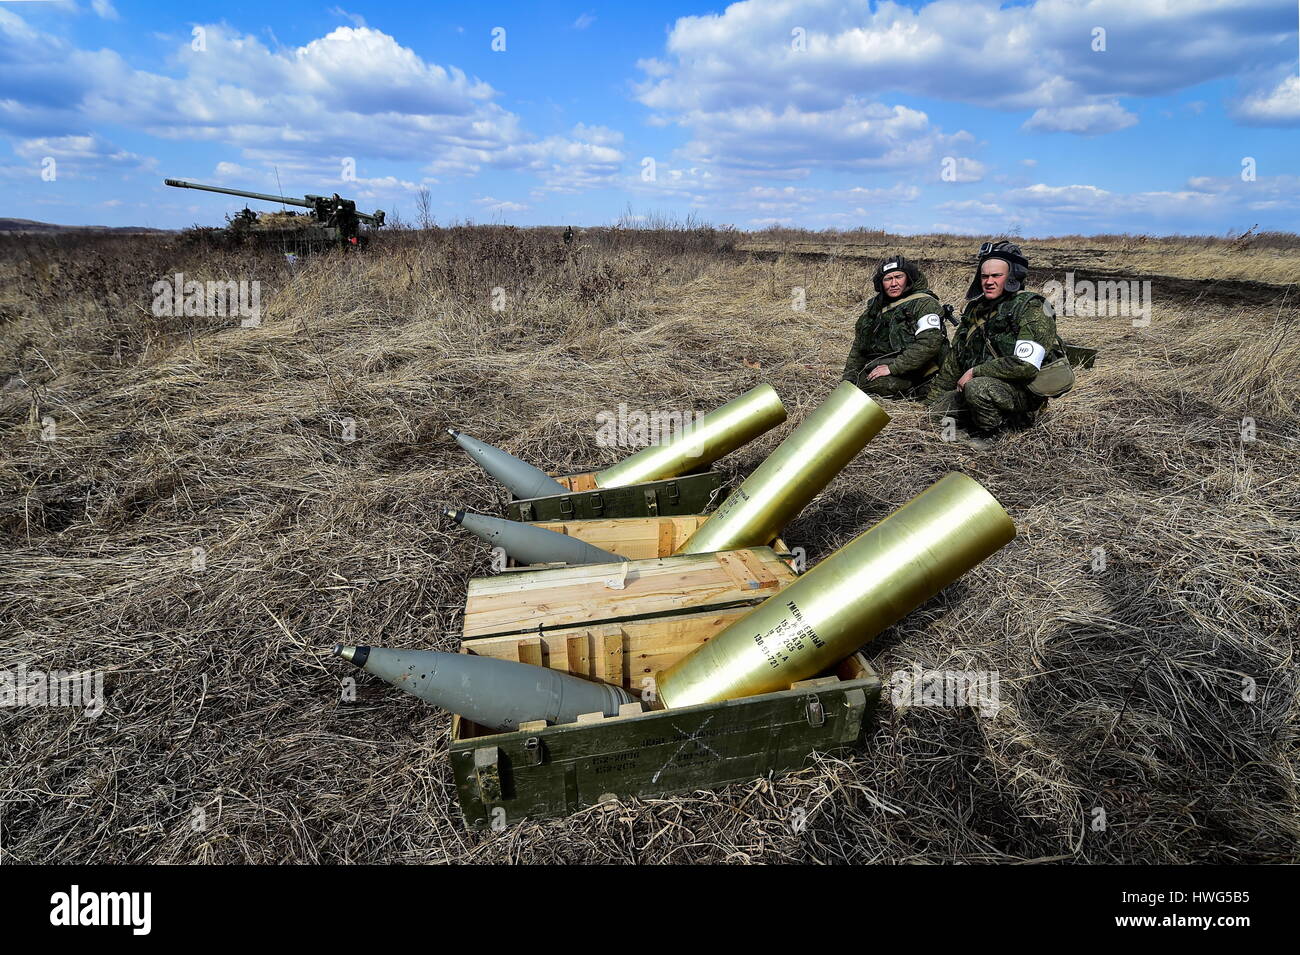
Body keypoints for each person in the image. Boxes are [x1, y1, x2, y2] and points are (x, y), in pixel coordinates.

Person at [925, 240, 1069, 449]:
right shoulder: (976, 309)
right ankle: (979, 417)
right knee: (937, 414)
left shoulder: (1033, 308)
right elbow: (955, 359)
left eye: (996, 276)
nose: (989, 282)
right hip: (986, 388)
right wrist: (933, 402)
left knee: (977, 388)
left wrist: (975, 371)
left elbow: (1025, 365)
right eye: (985, 276)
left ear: (1012, 277)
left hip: (1022, 392)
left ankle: (994, 433)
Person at [841, 255, 949, 399]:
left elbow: (929, 344)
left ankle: (920, 390)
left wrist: (893, 368)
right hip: (880, 364)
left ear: (908, 278)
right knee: (854, 386)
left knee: (877, 385)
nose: (893, 283)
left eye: (898, 277)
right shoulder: (875, 308)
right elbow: (859, 347)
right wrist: (847, 380)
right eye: (888, 279)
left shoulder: (924, 304)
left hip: (914, 369)